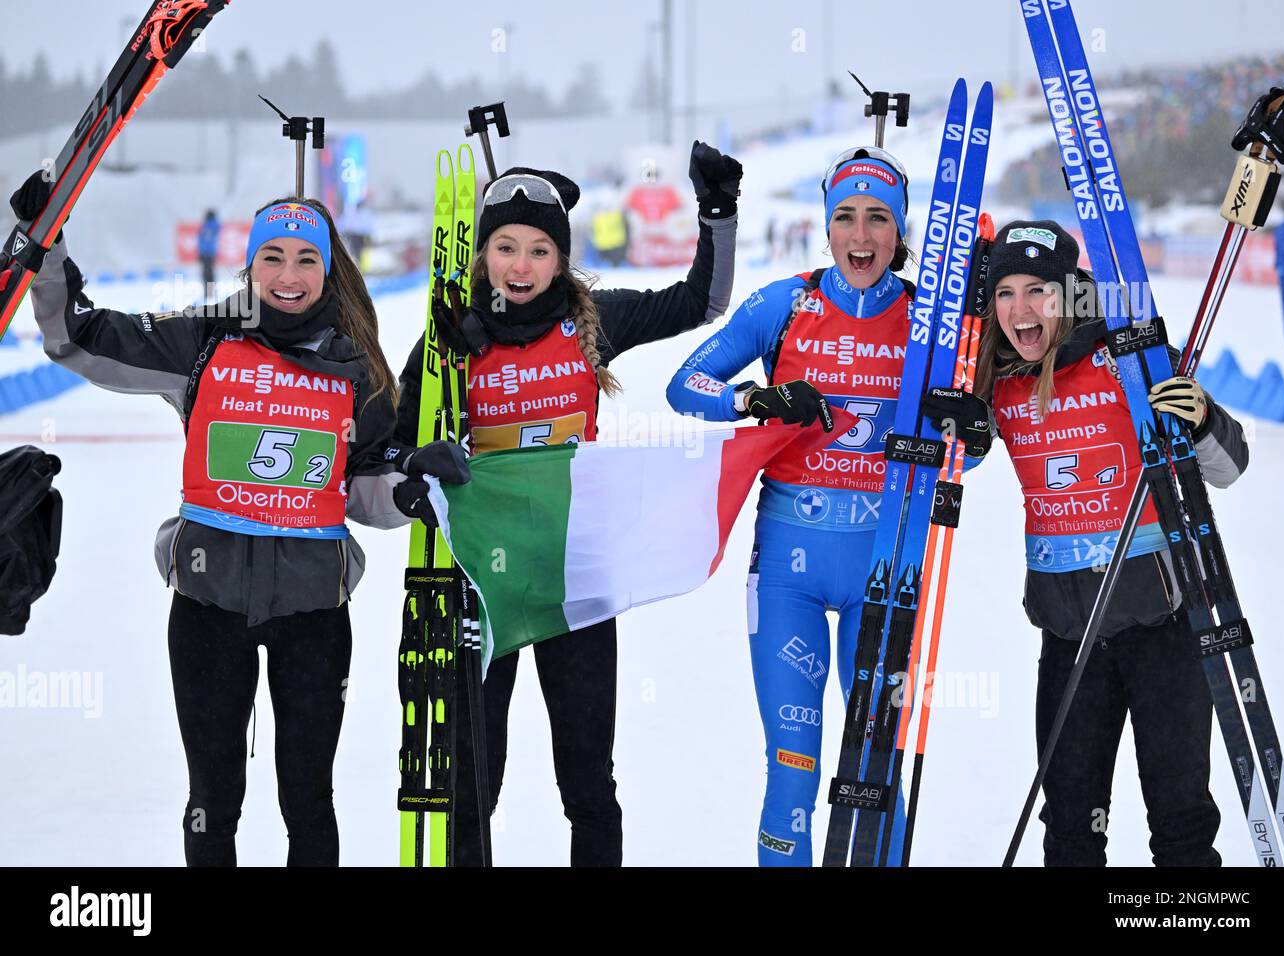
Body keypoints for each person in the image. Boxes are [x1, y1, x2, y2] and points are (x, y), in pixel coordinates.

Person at [14, 172, 450, 866]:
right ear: (250, 264)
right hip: (207, 604)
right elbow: (81, 339)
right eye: (273, 256)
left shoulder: (354, 368)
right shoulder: (203, 343)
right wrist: (50, 251)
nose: (289, 275)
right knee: (211, 802)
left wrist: (409, 490)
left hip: (313, 612)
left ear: (327, 271)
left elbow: (363, 488)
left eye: (306, 259)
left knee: (307, 800)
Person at [391, 141, 743, 866]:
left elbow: (700, 302)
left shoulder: (590, 324)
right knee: (471, 785)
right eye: (506, 248)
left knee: (587, 782)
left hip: (577, 576)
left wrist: (717, 213)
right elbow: (388, 453)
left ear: (561, 258)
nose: (521, 267)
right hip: (480, 585)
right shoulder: (447, 344)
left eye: (540, 250)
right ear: (483, 253)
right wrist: (417, 467)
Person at [665, 148, 993, 866]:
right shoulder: (784, 303)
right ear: (827, 226)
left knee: (876, 772)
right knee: (793, 771)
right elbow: (682, 384)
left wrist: (970, 425)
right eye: (845, 217)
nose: (861, 235)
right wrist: (754, 399)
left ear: (899, 231)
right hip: (789, 569)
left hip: (889, 563)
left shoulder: (926, 317)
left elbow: (976, 423)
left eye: (878, 218)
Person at [964, 219, 1249, 866]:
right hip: (1068, 640)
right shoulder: (999, 380)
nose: (1021, 310)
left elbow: (1231, 469)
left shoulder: (1128, 357)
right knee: (1069, 831)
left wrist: (1199, 417)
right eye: (1005, 293)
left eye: (1037, 290)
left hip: (1163, 630)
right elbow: (956, 455)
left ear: (1070, 293)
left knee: (1181, 827)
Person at [197, 208, 220, 292]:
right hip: (211, 252)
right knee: (210, 272)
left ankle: (207, 291)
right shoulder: (215, 225)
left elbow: (200, 240)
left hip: (203, 252)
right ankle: (211, 290)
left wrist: (199, 252)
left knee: (205, 273)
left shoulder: (204, 226)